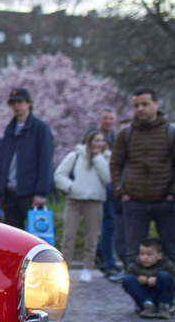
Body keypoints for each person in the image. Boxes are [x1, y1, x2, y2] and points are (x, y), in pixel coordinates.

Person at [109, 88, 175, 274]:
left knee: (171, 251)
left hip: (165, 202)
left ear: (156, 104)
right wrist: (121, 192)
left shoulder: (170, 132)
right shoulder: (126, 134)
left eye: (144, 104)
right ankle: (140, 299)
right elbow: (115, 164)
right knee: (132, 255)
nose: (140, 109)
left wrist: (172, 194)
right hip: (134, 202)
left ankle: (166, 297)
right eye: (136, 105)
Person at [0, 88, 55, 229]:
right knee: (13, 237)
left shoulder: (40, 128)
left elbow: (46, 162)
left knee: (37, 235)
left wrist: (41, 192)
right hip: (9, 193)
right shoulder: (9, 129)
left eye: (19, 102)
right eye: (12, 103)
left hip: (30, 194)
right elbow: (2, 163)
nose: (16, 106)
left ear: (29, 103)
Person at [53, 130, 111, 282]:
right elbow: (59, 174)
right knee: (68, 235)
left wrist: (98, 159)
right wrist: (70, 187)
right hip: (74, 200)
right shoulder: (75, 155)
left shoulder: (106, 158)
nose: (99, 143)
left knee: (91, 236)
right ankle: (65, 268)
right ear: (89, 141)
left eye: (102, 141)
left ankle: (87, 267)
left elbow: (108, 177)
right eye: (96, 140)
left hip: (95, 201)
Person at [90, 107, 123, 279]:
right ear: (100, 120)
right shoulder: (93, 136)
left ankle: (104, 255)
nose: (108, 121)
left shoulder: (116, 138)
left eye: (111, 118)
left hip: (111, 188)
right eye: (105, 118)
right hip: (97, 189)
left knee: (111, 224)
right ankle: (106, 260)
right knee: (102, 225)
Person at [120, 237, 175, 318]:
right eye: (142, 254)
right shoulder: (134, 266)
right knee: (127, 279)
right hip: (144, 297)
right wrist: (137, 280)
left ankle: (165, 306)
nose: (145, 258)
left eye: (149, 255)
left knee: (164, 275)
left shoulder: (167, 265)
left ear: (160, 256)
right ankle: (148, 305)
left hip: (162, 295)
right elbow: (126, 285)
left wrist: (157, 281)